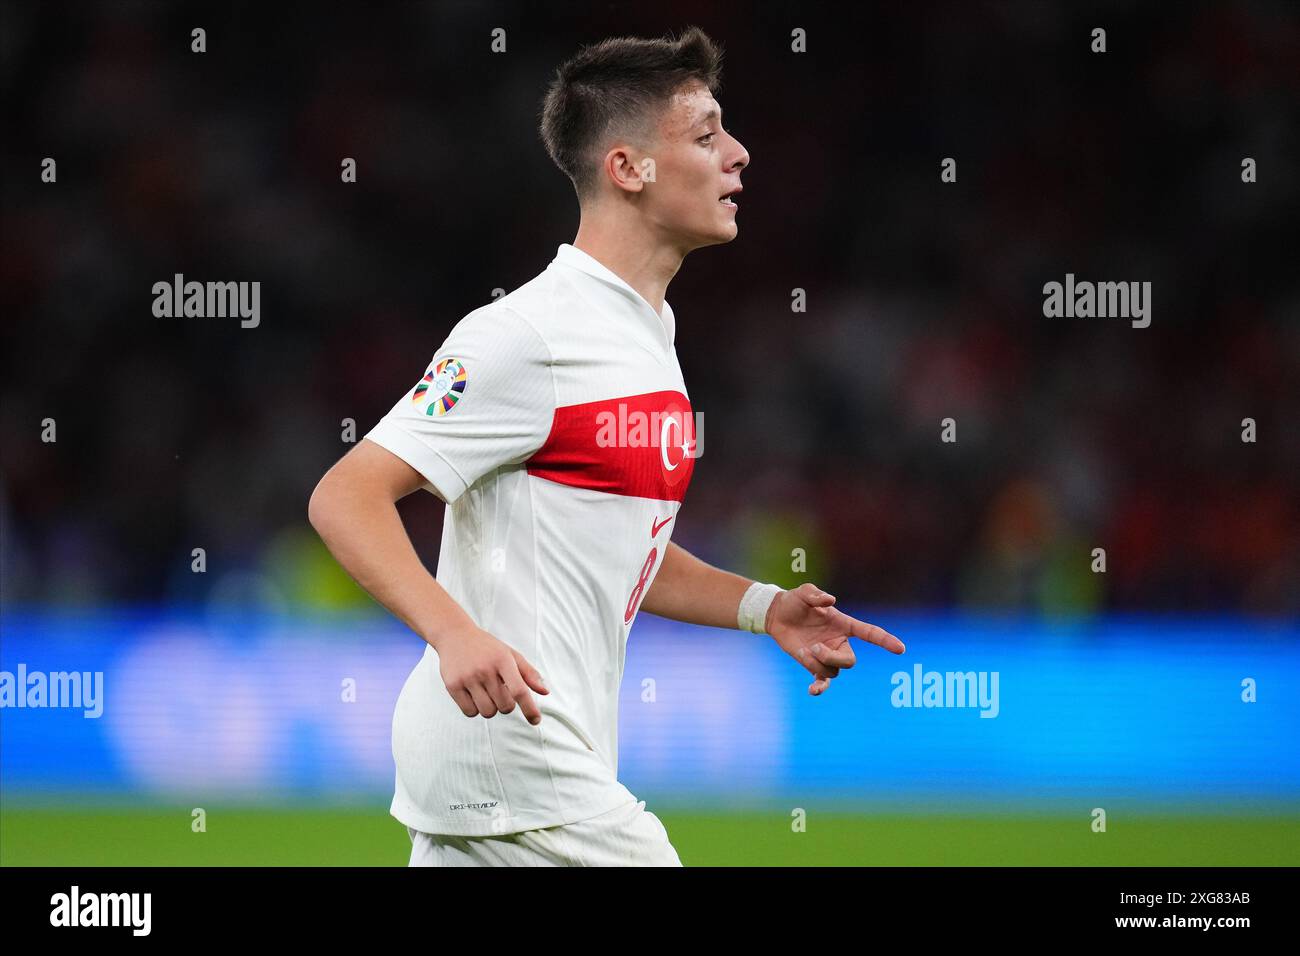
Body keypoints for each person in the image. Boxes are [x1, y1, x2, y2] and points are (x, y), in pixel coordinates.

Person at [308, 25, 905, 867]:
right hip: (518, 758)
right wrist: (454, 634)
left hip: (514, 766)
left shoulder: (648, 334)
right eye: (704, 135)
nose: (738, 155)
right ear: (627, 168)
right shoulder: (526, 334)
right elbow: (345, 495)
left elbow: (612, 548)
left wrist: (761, 604)